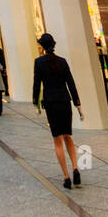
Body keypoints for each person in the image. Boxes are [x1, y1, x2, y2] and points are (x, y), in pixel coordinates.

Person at [33, 32, 83, 189]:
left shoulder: (39, 62)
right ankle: (75, 167)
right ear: (53, 45)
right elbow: (71, 83)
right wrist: (77, 103)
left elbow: (37, 83)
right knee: (68, 136)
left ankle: (66, 177)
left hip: (51, 103)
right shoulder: (62, 62)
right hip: (65, 101)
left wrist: (35, 102)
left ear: (41, 46)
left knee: (57, 140)